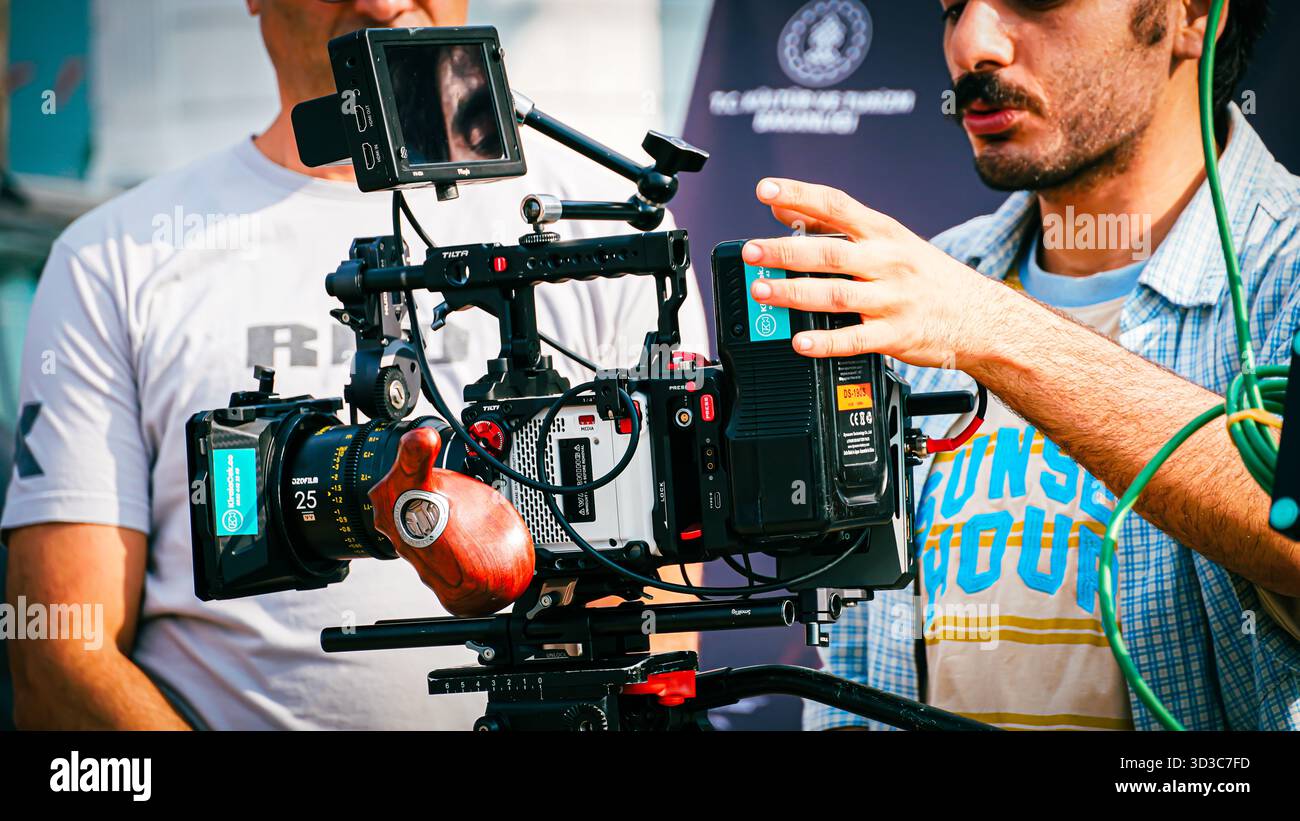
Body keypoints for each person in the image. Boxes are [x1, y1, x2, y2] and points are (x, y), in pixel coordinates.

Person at [2, 0, 707, 730]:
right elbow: (61, 661)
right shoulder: (112, 258)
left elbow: (666, 604)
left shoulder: (610, 225)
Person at [744, 0, 1300, 730]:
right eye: (950, 9)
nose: (970, 46)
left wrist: (986, 325)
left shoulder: (1285, 267)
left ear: (1191, 16)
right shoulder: (932, 281)